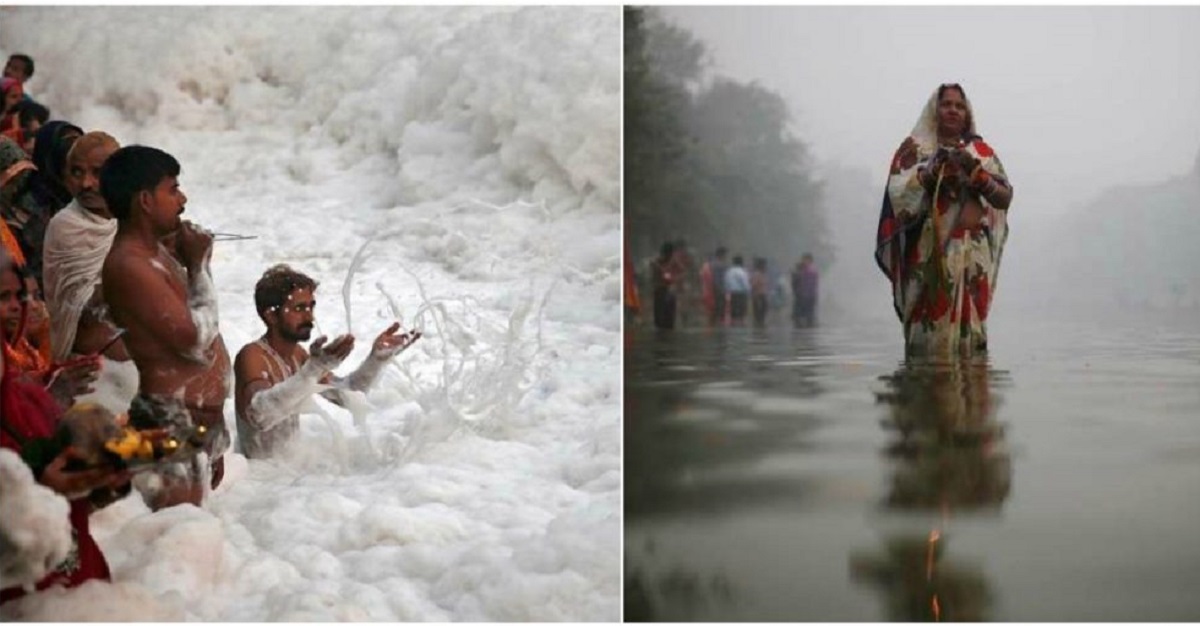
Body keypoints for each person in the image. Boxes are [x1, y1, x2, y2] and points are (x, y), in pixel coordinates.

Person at [100, 145, 230, 508]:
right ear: (144, 200)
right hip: (164, 421)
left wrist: (215, 430)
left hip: (189, 420)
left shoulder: (154, 253)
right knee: (176, 541)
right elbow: (195, 342)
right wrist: (200, 265)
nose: (182, 199)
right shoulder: (129, 265)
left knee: (189, 538)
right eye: (172, 189)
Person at [0, 249, 125, 606]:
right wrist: (44, 484)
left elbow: (69, 498)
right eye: (2, 298)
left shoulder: (31, 396)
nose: (17, 307)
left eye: (19, 297)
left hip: (73, 590)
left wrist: (102, 481)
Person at [875, 83, 1013, 356]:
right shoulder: (913, 150)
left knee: (970, 345)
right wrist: (932, 172)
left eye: (959, 106)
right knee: (927, 342)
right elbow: (899, 196)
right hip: (929, 257)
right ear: (934, 110)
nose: (953, 110)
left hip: (971, 259)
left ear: (968, 113)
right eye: (947, 104)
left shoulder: (981, 152)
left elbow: (1005, 198)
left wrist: (978, 176)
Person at [234, 264, 420, 459]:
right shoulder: (253, 356)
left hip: (287, 476)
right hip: (258, 481)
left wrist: (377, 360)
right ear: (271, 315)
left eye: (311, 306)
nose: (310, 317)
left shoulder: (298, 355)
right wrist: (314, 369)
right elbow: (260, 415)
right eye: (299, 308)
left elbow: (348, 394)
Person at [43, 131, 128, 362]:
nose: (85, 184)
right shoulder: (66, 225)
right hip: (88, 362)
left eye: (98, 173)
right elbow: (86, 311)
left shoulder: (130, 217)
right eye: (76, 172)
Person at [649, 241, 676, 330]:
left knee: (669, 315)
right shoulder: (656, 261)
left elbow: (682, 271)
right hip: (659, 290)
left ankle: (668, 327)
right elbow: (660, 272)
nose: (670, 256)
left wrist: (675, 277)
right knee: (660, 314)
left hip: (670, 290)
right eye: (669, 254)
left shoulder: (672, 261)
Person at [791, 253, 819, 327]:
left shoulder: (811, 271)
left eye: (805, 259)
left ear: (810, 260)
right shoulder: (801, 270)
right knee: (800, 316)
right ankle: (802, 331)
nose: (803, 261)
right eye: (803, 259)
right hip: (802, 295)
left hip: (808, 296)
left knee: (808, 316)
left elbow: (813, 285)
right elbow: (796, 283)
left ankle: (806, 331)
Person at [724, 254, 750, 325]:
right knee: (742, 311)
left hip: (732, 293)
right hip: (741, 294)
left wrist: (727, 291)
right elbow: (745, 284)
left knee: (733, 310)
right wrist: (748, 292)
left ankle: (733, 323)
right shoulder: (742, 272)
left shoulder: (729, 271)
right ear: (741, 262)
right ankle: (741, 323)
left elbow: (726, 283)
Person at [750, 257, 769, 326]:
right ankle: (758, 324)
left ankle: (761, 323)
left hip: (763, 295)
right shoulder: (756, 274)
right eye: (764, 265)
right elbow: (753, 285)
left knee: (764, 310)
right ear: (761, 266)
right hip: (758, 295)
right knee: (758, 312)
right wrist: (755, 296)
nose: (765, 267)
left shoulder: (764, 274)